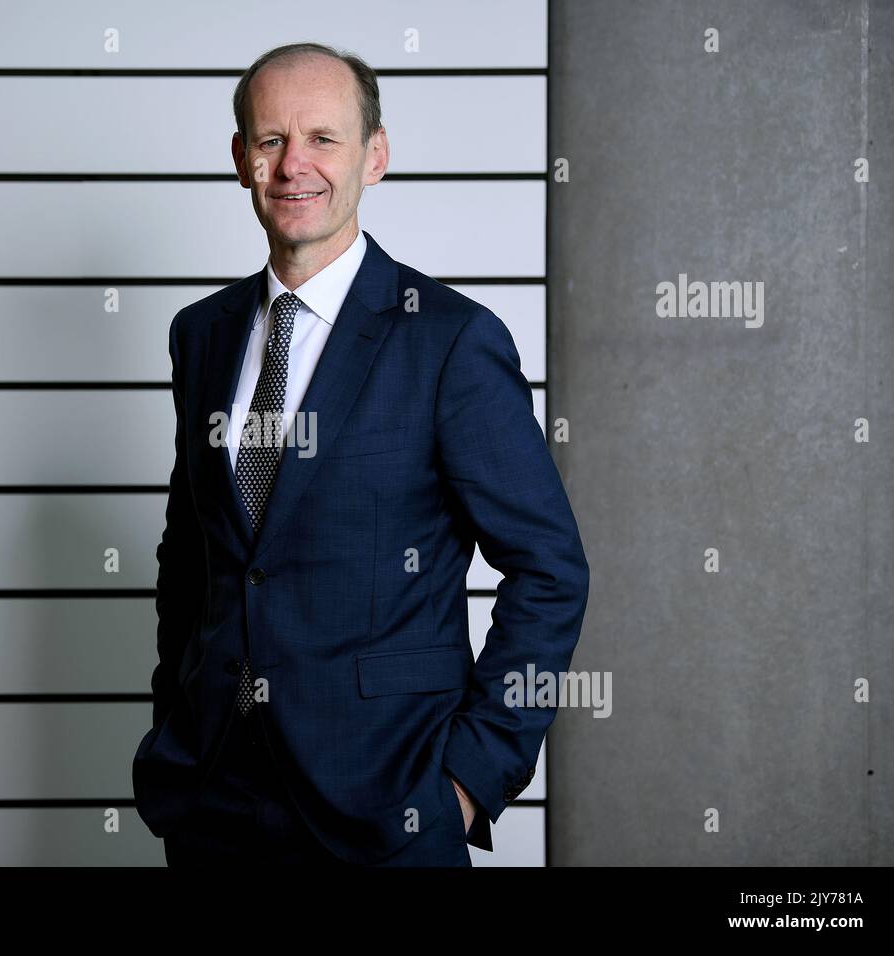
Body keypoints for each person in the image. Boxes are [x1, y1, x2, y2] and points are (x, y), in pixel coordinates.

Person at [132, 41, 589, 866]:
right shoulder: (201, 334)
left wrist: (471, 776)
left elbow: (551, 570)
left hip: (390, 806)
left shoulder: (450, 340)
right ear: (240, 159)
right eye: (270, 140)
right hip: (213, 805)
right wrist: (174, 719)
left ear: (375, 156)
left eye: (323, 139)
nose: (293, 164)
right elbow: (193, 557)